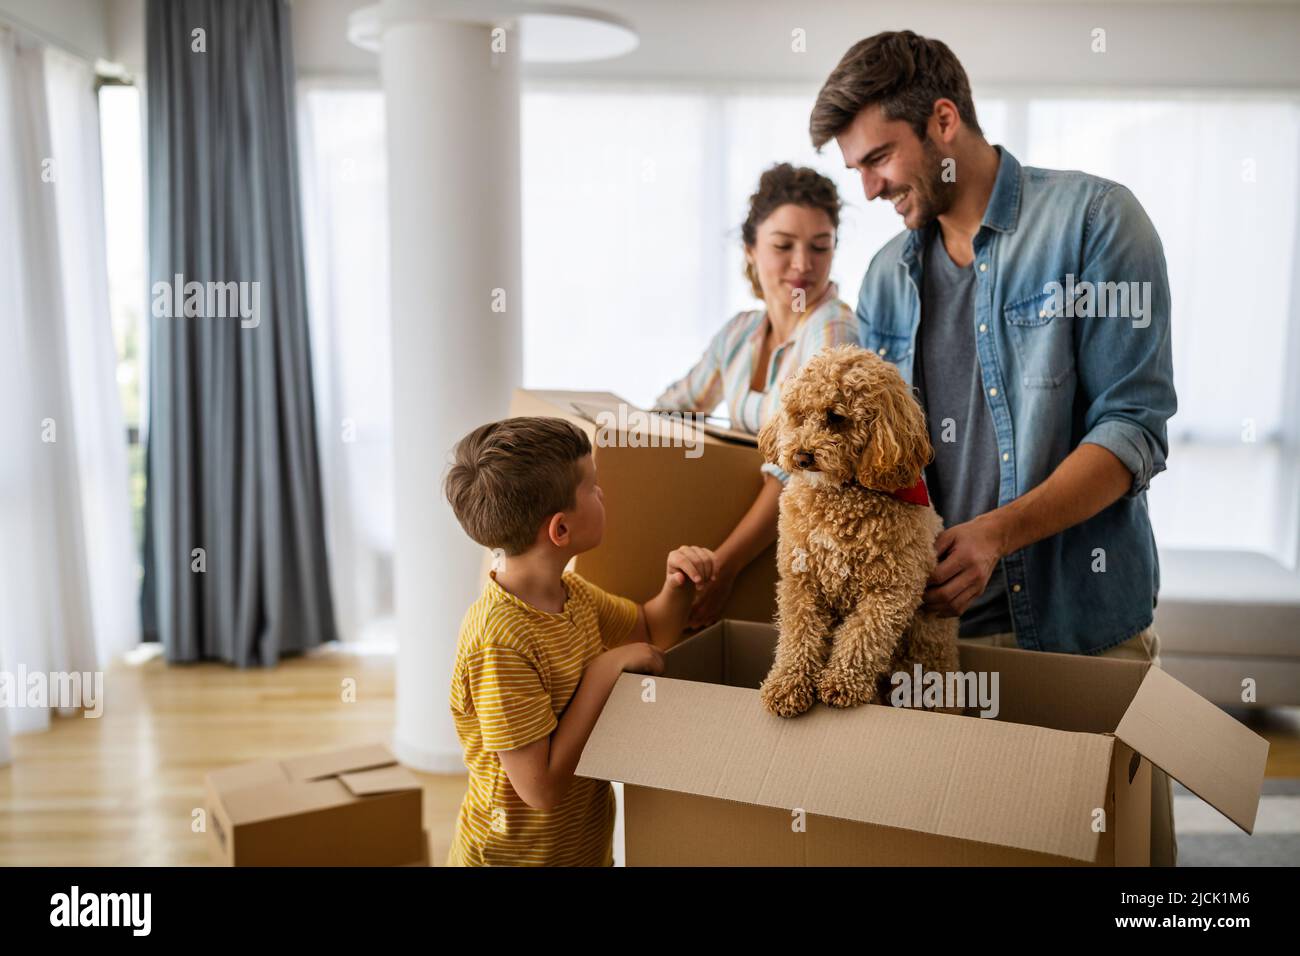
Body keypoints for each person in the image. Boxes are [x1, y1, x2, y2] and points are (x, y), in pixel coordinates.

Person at [808, 31, 1178, 864]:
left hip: (1082, 638)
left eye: (878, 160)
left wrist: (994, 536)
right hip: (936, 641)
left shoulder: (1094, 223)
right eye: (856, 170)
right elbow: (874, 463)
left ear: (943, 121)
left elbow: (1132, 429)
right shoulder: (883, 280)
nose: (867, 190)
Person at [442, 416, 716, 866]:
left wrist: (678, 584)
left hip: (581, 851)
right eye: (592, 487)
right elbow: (540, 789)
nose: (602, 494)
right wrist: (602, 673)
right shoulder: (500, 642)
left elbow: (649, 633)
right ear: (561, 531)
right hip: (514, 861)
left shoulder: (571, 595)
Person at [655, 163, 858, 627]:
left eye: (820, 247)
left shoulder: (832, 329)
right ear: (750, 248)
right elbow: (677, 404)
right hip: (746, 551)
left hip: (805, 557)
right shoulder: (741, 333)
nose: (803, 264)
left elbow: (802, 468)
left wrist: (723, 566)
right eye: (783, 246)